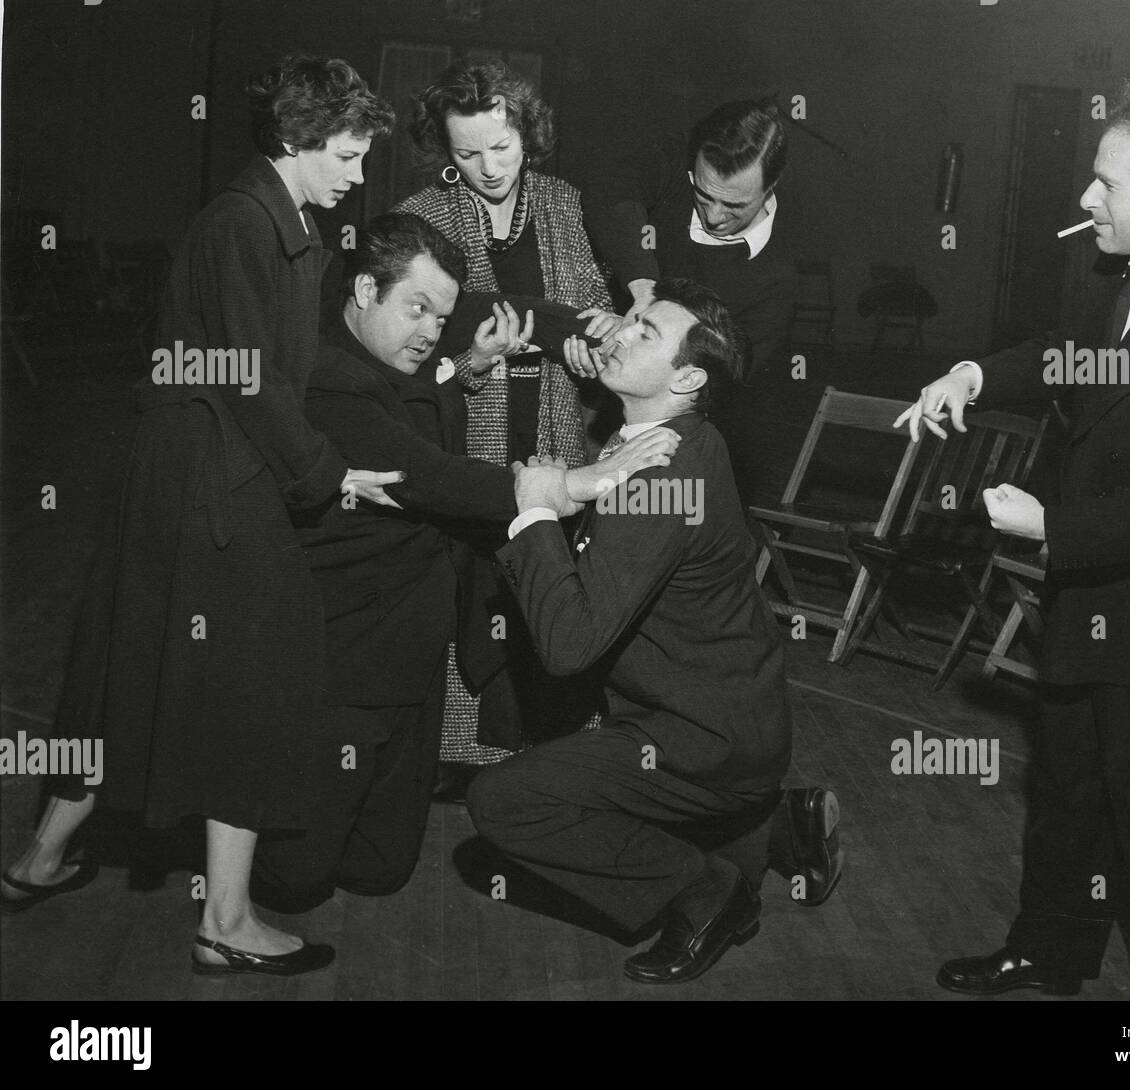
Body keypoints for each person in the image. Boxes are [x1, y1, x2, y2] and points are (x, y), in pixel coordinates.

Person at [1, 56, 400, 977]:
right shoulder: (242, 225)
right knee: (257, 672)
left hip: (191, 472)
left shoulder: (278, 221)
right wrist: (327, 475)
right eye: (344, 154)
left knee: (134, 662)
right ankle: (224, 919)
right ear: (296, 143)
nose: (355, 174)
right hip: (213, 476)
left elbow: (289, 364)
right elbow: (256, 382)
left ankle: (40, 857)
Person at [895, 80, 1130, 1000]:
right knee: (1065, 799)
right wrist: (974, 372)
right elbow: (1071, 356)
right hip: (1093, 609)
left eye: (1106, 182)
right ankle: (1047, 955)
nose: (1085, 199)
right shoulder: (1129, 285)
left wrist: (1051, 525)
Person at [252, 213, 678, 910]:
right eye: (415, 308)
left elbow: (415, 404)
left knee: (380, 871)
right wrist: (569, 485)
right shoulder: (327, 375)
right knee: (295, 882)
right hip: (344, 654)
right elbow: (426, 472)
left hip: (413, 649)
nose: (428, 331)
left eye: (440, 316)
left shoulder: (393, 365)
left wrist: (470, 364)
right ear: (362, 290)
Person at [469, 279, 839, 985]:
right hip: (735, 723)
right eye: (628, 319)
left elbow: (569, 644)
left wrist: (538, 513)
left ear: (690, 377)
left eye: (645, 333)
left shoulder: (658, 472)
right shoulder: (680, 442)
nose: (619, 332)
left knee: (506, 801)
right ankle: (782, 825)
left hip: (702, 742)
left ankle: (708, 894)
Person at [394, 61, 622, 786]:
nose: (489, 168)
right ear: (444, 151)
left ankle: (548, 748)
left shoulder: (562, 202)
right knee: (474, 586)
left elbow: (587, 302)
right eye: (467, 153)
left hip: (555, 425)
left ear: (528, 133)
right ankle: (464, 757)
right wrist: (473, 361)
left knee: (551, 576)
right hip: (469, 432)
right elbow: (412, 363)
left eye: (502, 146)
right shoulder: (422, 216)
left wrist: (592, 342)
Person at [580, 99, 798, 500]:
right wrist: (643, 291)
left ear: (771, 185)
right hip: (597, 395)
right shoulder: (673, 156)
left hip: (681, 428)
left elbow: (723, 383)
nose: (714, 216)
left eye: (735, 205)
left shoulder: (781, 273)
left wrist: (637, 344)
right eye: (703, 194)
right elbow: (609, 193)